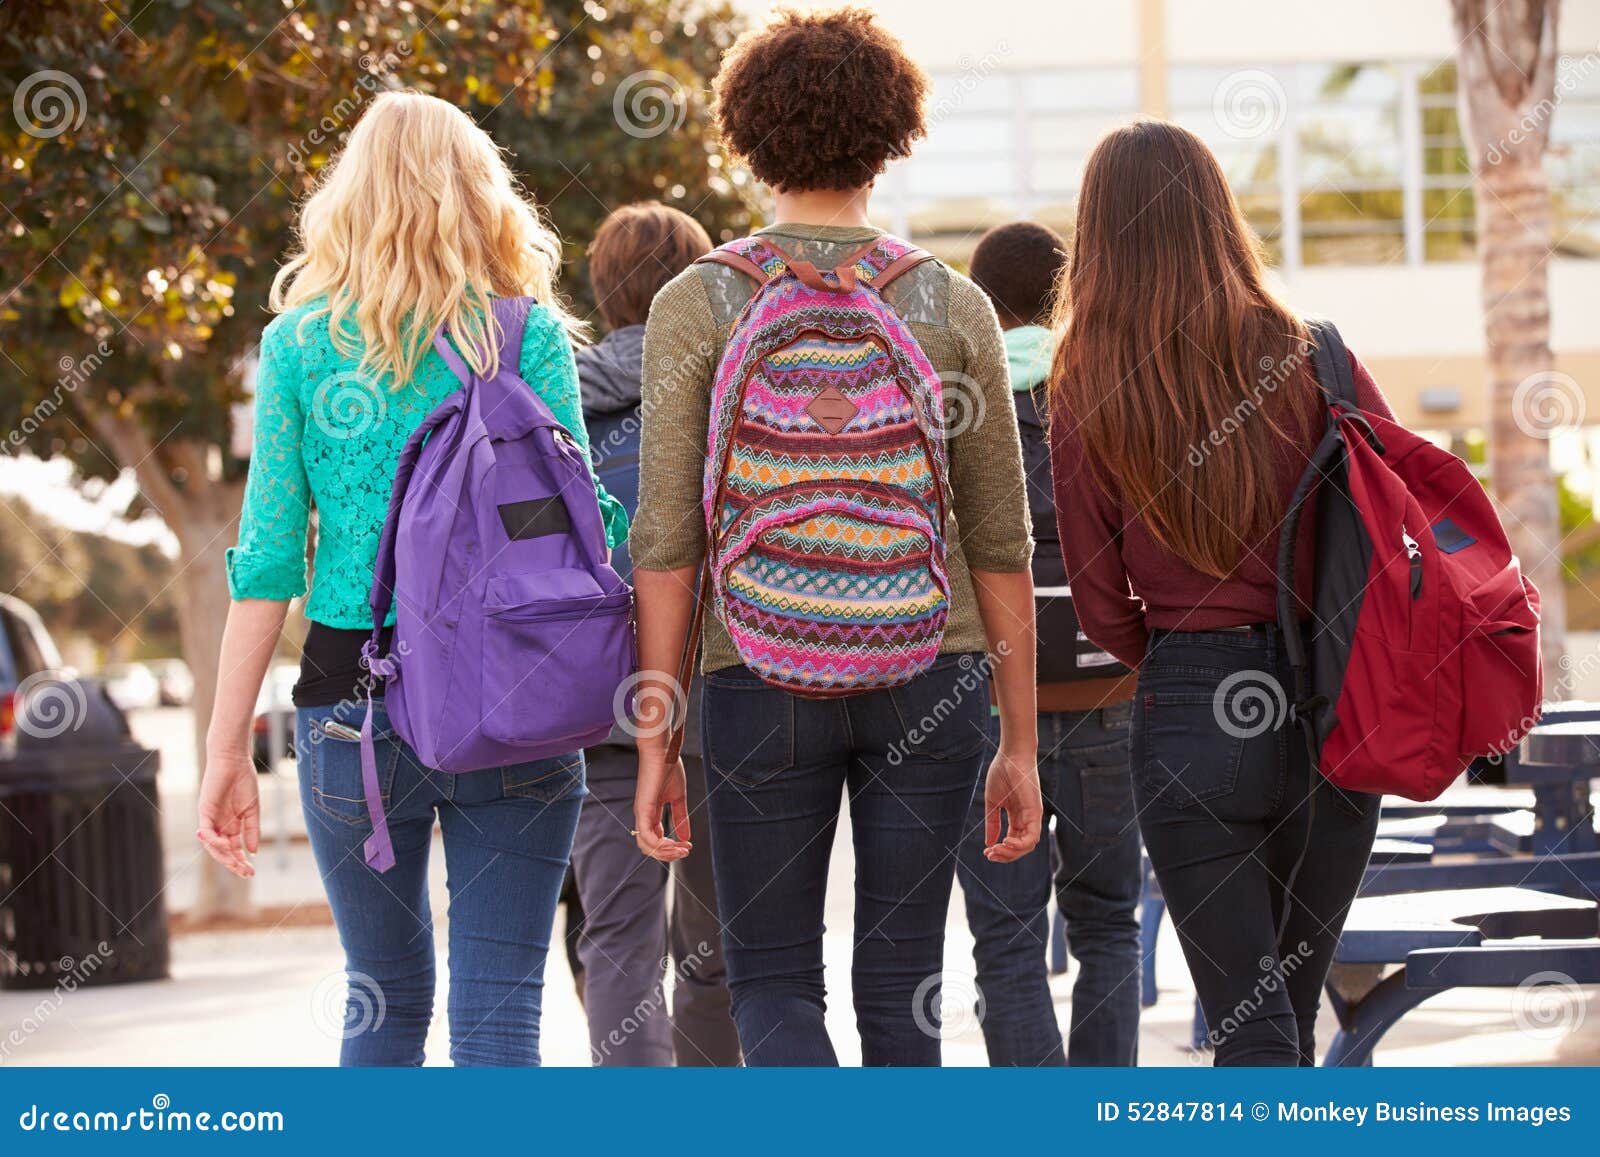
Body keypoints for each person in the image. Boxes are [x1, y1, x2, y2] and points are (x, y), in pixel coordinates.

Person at [628, 7, 1042, 1067]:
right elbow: (1001, 540)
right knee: (905, 986)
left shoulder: (698, 299)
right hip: (929, 670)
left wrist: (657, 739)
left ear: (746, 134)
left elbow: (667, 541)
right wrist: (1020, 740)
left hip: (754, 676)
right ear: (894, 132)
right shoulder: (949, 302)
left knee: (769, 980)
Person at [197, 91, 628, 1067]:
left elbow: (267, 564)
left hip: (350, 708)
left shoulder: (297, 348)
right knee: (499, 1010)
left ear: (347, 202)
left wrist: (228, 748)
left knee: (382, 999)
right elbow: (585, 522)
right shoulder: (525, 335)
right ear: (484, 196)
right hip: (510, 689)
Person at [1050, 119, 1387, 1067]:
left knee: (1251, 1025)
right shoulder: (1313, 354)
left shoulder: (1084, 377)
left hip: (1193, 703)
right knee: (1290, 1002)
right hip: (1333, 697)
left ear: (1098, 231)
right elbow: (1395, 509)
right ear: (1219, 213)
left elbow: (1096, 594)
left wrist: (1175, 658)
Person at [954, 221, 1141, 1067]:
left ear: (981, 304)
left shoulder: (956, 400)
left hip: (989, 707)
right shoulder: (1114, 397)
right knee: (1109, 925)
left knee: (1006, 936)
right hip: (1110, 696)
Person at [570, 201, 741, 1066]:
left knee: (617, 944)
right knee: (717, 954)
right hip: (721, 701)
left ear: (601, 292)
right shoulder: (728, 395)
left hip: (599, 711)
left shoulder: (557, 404)